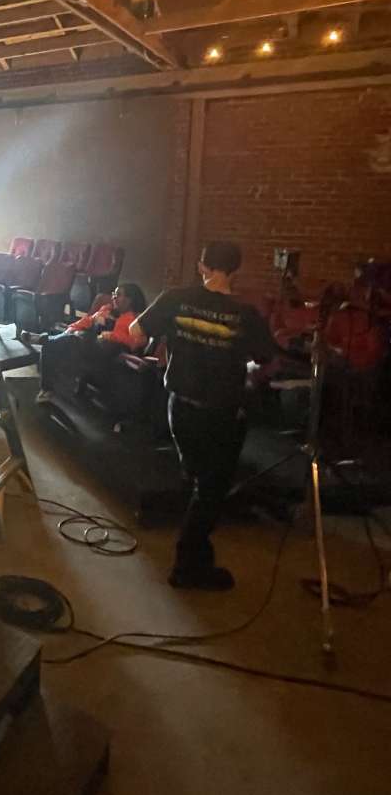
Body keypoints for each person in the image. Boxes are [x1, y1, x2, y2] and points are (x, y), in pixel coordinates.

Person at [131, 241, 278, 591]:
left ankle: (196, 545)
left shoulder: (175, 298)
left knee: (196, 476)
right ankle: (188, 565)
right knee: (213, 489)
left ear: (202, 266)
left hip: (179, 407)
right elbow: (265, 359)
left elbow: (137, 332)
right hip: (223, 414)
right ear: (235, 269)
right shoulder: (246, 314)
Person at [34, 283, 147, 405]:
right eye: (114, 294)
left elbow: (136, 344)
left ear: (130, 300)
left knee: (74, 338)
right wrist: (71, 328)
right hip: (90, 343)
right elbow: (88, 320)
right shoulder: (106, 309)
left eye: (118, 295)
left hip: (107, 352)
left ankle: (45, 339)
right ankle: (46, 389)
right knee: (53, 345)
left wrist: (112, 335)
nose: (113, 297)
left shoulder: (136, 319)